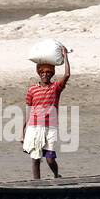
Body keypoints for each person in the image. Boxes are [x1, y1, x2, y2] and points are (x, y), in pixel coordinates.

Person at [20, 47, 70, 179]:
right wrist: (22, 132)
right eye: (42, 72)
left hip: (50, 127)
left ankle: (56, 175)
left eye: (48, 72)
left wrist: (65, 57)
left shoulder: (55, 88)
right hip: (34, 127)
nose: (45, 74)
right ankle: (37, 183)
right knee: (35, 158)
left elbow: (67, 75)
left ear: (52, 74)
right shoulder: (32, 90)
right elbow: (28, 110)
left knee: (50, 159)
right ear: (39, 74)